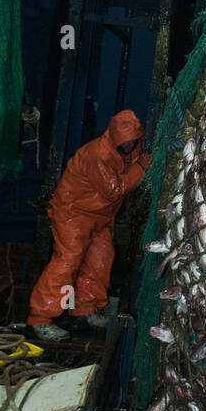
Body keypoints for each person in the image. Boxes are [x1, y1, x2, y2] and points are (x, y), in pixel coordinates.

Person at [27, 110, 151, 341]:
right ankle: (40, 319)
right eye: (125, 141)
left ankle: (86, 309)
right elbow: (114, 189)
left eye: (133, 141)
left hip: (100, 217)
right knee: (67, 262)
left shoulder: (131, 153)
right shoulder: (97, 154)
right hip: (73, 213)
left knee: (100, 260)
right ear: (114, 137)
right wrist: (141, 168)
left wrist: (138, 163)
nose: (130, 145)